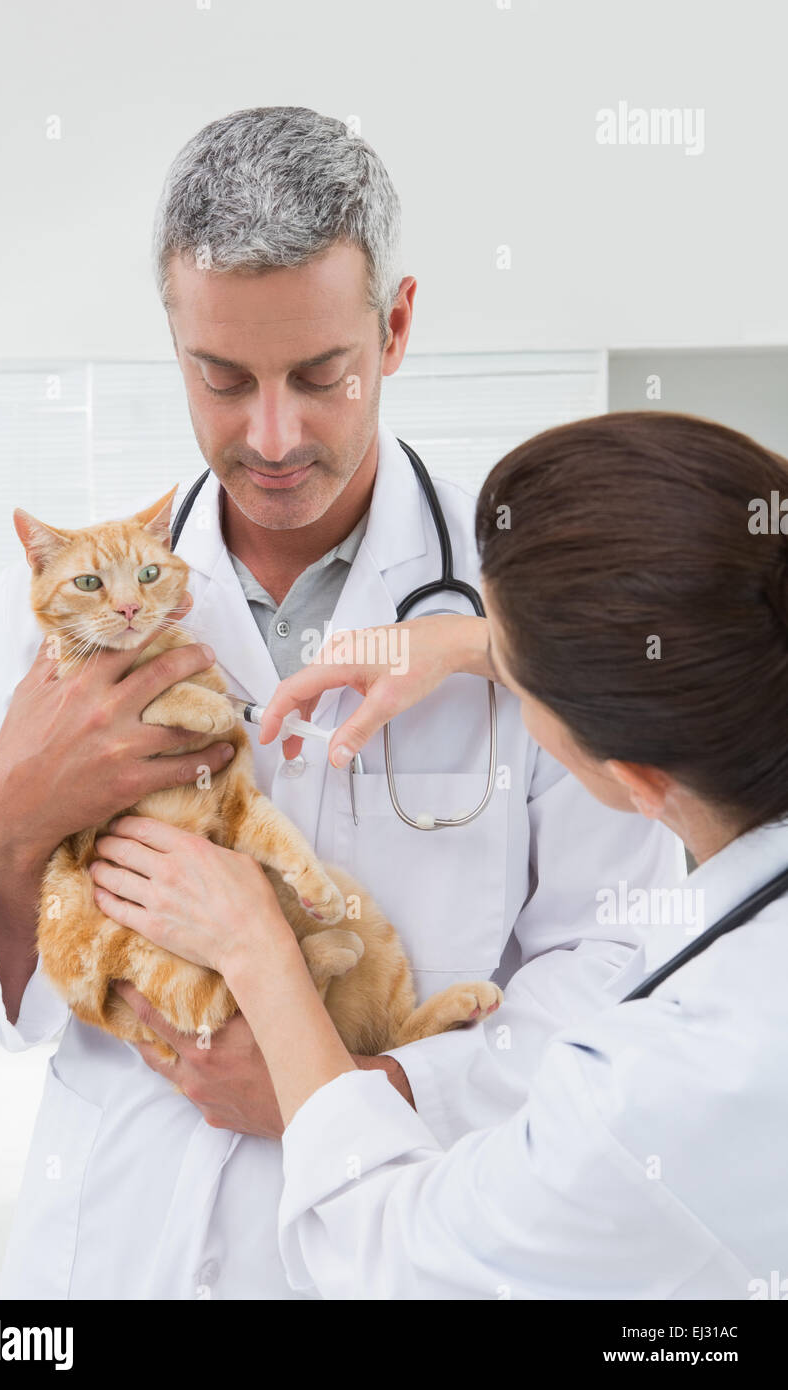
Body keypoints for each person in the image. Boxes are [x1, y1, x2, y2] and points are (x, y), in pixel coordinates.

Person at [0, 110, 681, 1301]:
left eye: (320, 377)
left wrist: (352, 1087)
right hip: (112, 1256)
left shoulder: (518, 591)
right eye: (222, 380)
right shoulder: (60, 606)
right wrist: (5, 822)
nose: (271, 436)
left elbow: (611, 963)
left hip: (385, 1231)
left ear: (394, 326)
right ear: (174, 341)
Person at [95, 411, 788, 1299]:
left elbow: (394, 1253)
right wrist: (469, 644)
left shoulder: (667, 1086)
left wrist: (259, 950)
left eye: (514, 669)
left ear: (635, 783)